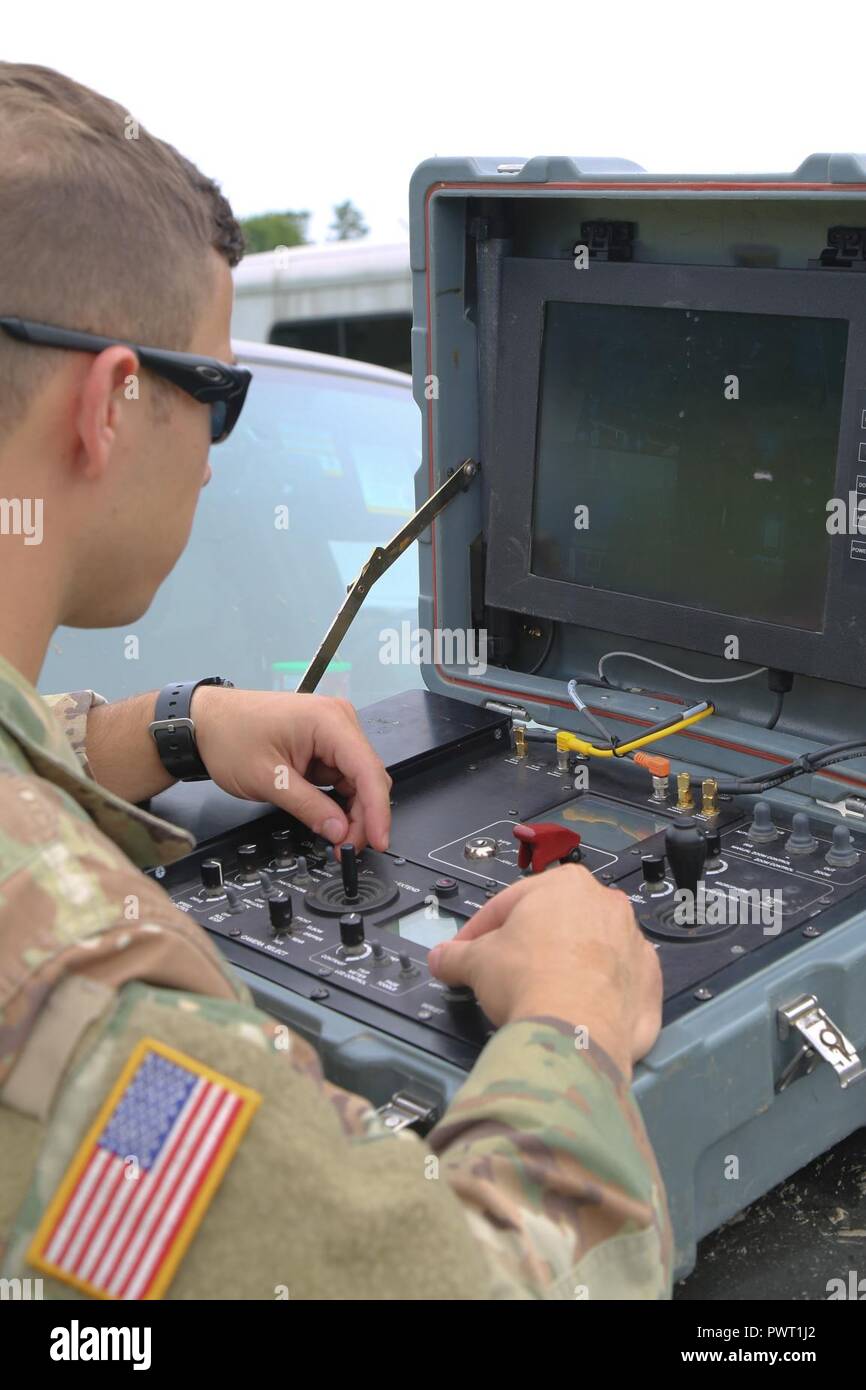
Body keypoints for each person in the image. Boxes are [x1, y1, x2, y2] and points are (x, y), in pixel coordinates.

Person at [0, 62, 670, 1300]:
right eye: (221, 394)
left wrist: (170, 726)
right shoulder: (89, 1015)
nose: (209, 463)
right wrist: (571, 1021)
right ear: (110, 402)